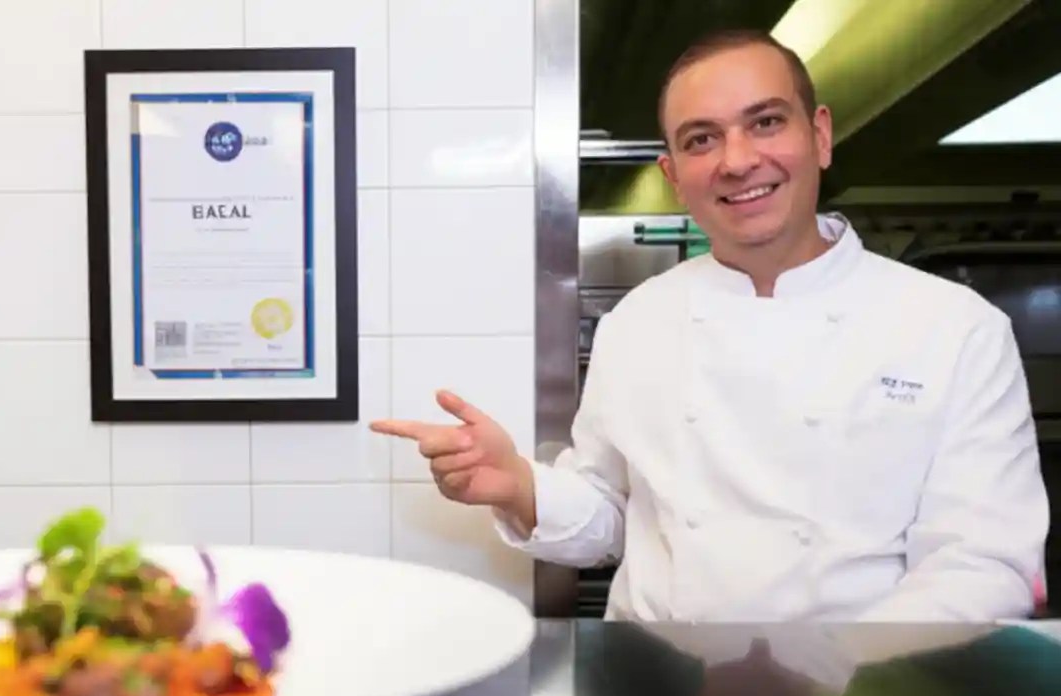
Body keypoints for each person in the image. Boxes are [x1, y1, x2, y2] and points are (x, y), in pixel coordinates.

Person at [370, 28, 1051, 622]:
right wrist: (522, 485)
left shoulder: (954, 328)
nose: (736, 159)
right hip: (659, 683)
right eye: (702, 139)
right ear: (673, 175)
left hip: (860, 692)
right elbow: (611, 514)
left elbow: (982, 565)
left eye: (764, 122)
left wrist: (837, 674)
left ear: (818, 135)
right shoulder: (637, 323)